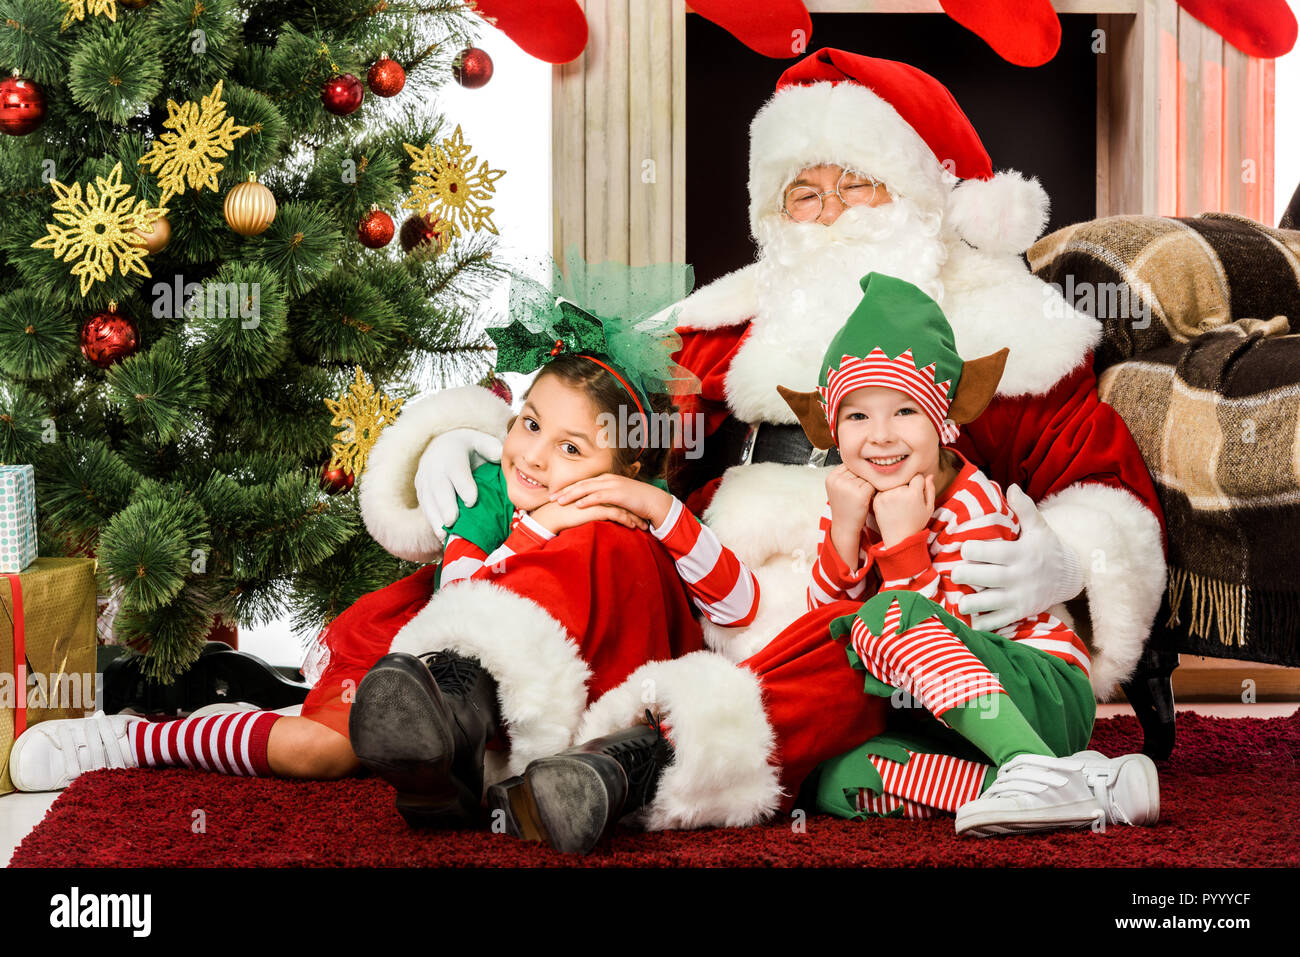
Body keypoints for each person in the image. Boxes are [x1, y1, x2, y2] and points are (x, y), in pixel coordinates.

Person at [352, 48, 1168, 838]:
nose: (831, 212)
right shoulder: (732, 321)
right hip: (723, 603)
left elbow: (1091, 475)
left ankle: (636, 762)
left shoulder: (1004, 334)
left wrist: (1069, 561)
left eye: (858, 185)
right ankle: (463, 702)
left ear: (924, 199)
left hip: (892, 645)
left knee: (858, 635)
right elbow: (598, 400)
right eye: (804, 194)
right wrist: (485, 434)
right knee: (603, 534)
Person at [488, 273, 1159, 852]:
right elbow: (829, 618)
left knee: (887, 614)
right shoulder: (855, 498)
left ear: (944, 424)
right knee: (831, 777)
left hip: (1037, 691)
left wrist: (903, 547)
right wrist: (842, 535)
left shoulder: (969, 499)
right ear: (834, 430)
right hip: (943, 721)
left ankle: (1027, 760)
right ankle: (1073, 788)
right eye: (859, 417)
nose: (882, 435)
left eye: (905, 412)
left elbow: (931, 634)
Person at [7, 296, 758, 813]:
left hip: (571, 720)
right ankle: (135, 737)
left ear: (627, 468)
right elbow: (460, 606)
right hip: (434, 661)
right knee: (316, 749)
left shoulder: (640, 525)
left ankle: (513, 779)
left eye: (571, 447)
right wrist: (513, 528)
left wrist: (656, 510)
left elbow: (737, 607)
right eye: (529, 423)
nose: (534, 455)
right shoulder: (496, 501)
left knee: (605, 551)